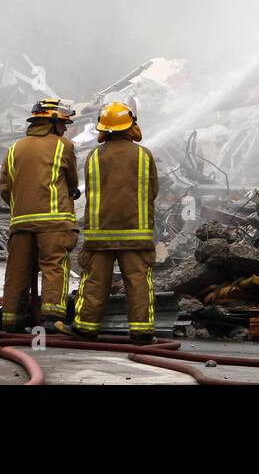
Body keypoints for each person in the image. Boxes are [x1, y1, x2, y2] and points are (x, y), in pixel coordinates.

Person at [57, 102, 158, 344]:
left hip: (99, 235)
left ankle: (85, 328)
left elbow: (92, 191)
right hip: (137, 234)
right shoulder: (144, 155)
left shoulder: (94, 157)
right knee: (138, 281)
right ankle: (142, 331)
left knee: (94, 281)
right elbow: (153, 190)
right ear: (130, 125)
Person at [0, 98, 80, 332]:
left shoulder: (15, 148)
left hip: (21, 223)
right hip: (54, 222)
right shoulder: (63, 145)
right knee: (54, 266)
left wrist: (22, 206)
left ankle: (12, 320)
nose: (65, 128)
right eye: (63, 123)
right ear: (52, 122)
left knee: (17, 271)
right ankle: (51, 320)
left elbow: (5, 188)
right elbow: (72, 181)